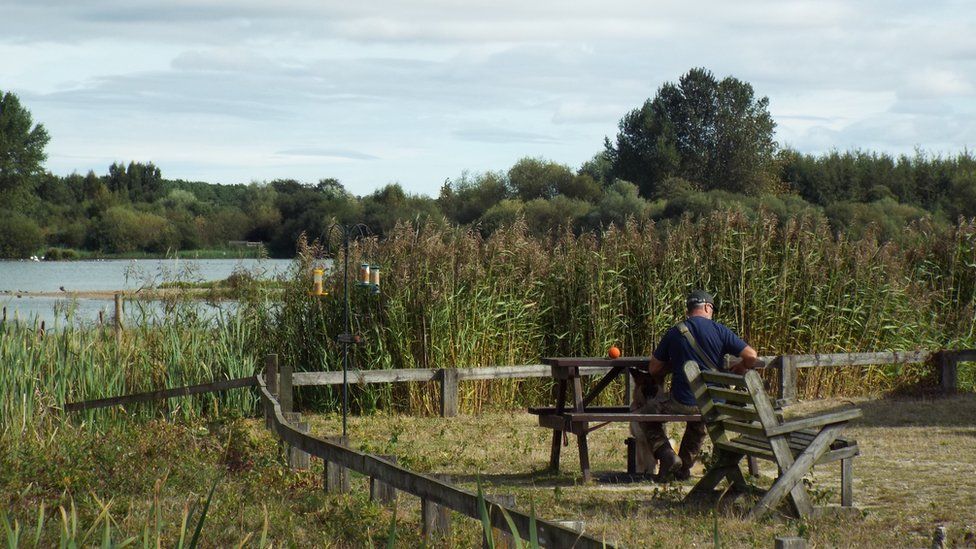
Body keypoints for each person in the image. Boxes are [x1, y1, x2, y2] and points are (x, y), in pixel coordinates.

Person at [645, 290, 759, 481]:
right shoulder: (720, 330)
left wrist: (676, 362)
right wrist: (740, 367)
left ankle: (667, 454)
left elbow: (654, 369)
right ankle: (682, 467)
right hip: (714, 403)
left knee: (645, 412)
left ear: (689, 309)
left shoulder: (675, 332)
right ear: (707, 307)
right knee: (700, 421)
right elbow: (751, 356)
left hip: (683, 402)